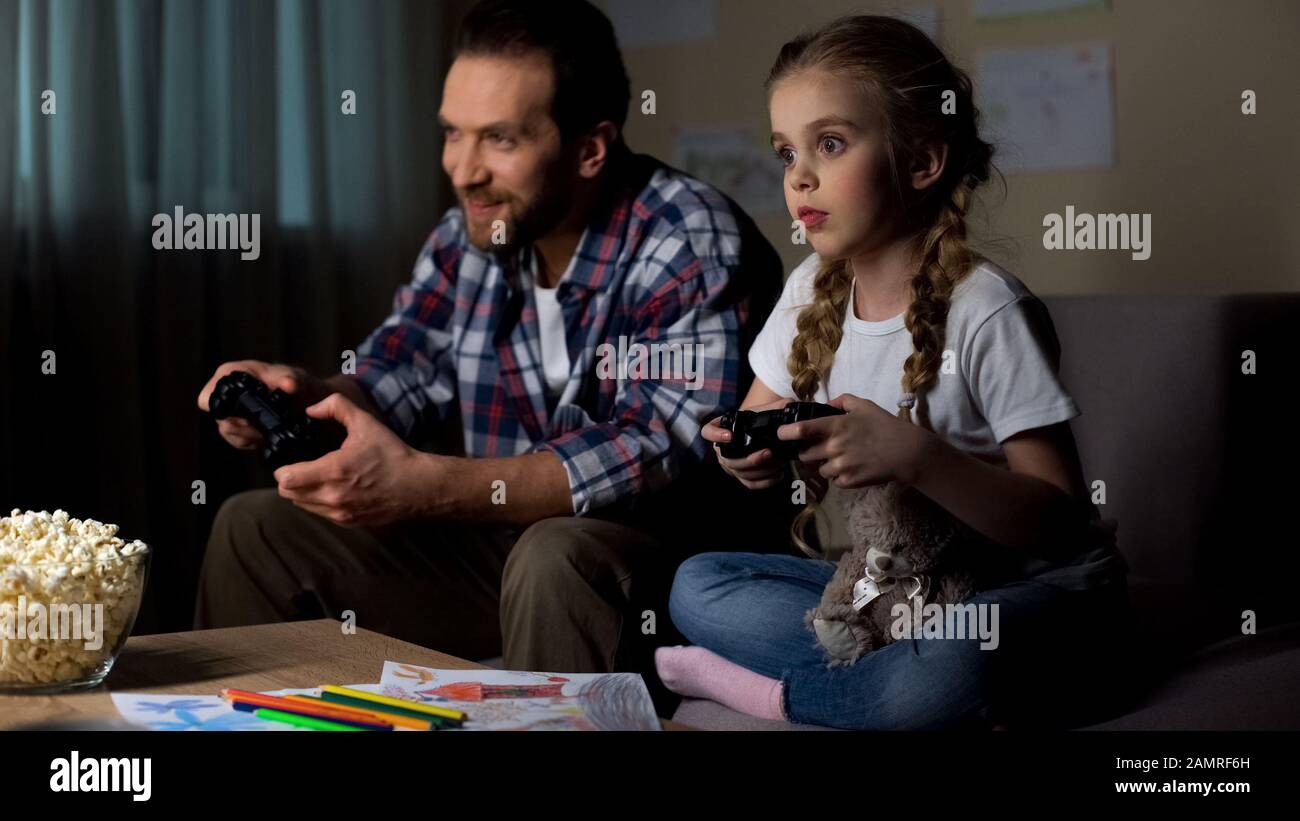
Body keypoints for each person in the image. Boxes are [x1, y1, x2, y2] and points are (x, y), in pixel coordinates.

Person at [193, 0, 783, 710]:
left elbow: (652, 448)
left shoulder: (687, 236)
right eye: (452, 133)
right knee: (253, 526)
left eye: (499, 140)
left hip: (667, 568)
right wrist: (299, 392)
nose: (463, 171)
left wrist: (429, 483)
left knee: (553, 553)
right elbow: (396, 370)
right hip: (502, 551)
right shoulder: (471, 234)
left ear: (591, 149)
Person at [655, 14, 1134, 730]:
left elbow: (1059, 519)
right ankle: (878, 679)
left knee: (952, 665)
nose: (799, 176)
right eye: (787, 152)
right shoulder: (809, 291)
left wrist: (917, 458)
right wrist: (745, 454)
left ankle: (768, 689)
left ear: (921, 162)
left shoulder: (985, 310)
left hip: (1023, 587)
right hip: (902, 587)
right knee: (697, 584)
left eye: (831, 143)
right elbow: (754, 428)